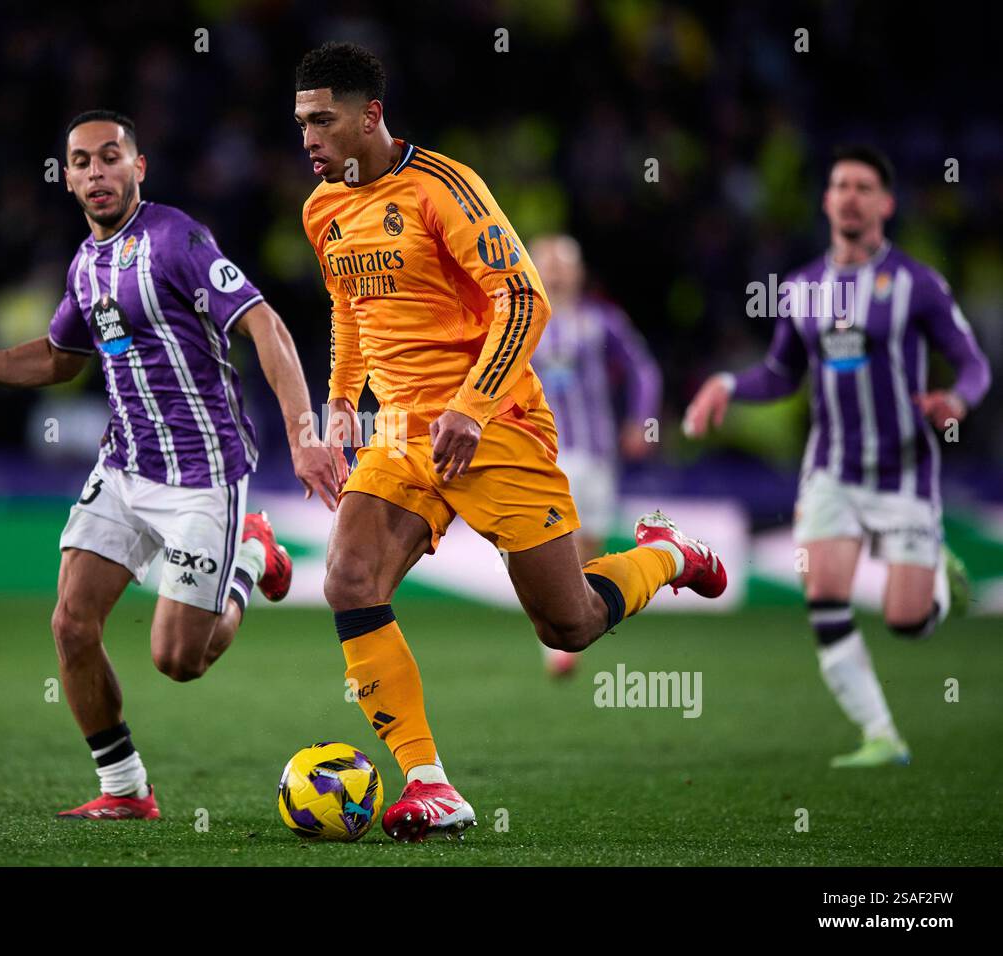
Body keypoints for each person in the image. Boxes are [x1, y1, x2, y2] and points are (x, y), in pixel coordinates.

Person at [295, 43, 726, 842]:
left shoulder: (444, 188)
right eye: (301, 123)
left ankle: (668, 555)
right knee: (350, 579)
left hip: (494, 427)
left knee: (568, 625)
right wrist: (341, 401)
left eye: (323, 120)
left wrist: (471, 404)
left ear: (370, 116)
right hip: (400, 434)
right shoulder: (322, 209)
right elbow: (348, 307)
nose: (309, 138)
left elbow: (525, 299)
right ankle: (430, 784)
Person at [0, 110, 340, 818]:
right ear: (67, 179)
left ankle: (251, 556)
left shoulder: (177, 240)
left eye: (110, 157)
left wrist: (304, 435)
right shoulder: (84, 265)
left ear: (139, 167)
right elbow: (58, 358)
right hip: (125, 467)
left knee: (178, 660)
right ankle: (126, 788)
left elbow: (266, 324)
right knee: (71, 624)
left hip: (203, 475)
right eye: (81, 162)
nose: (96, 172)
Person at [684, 145, 991, 768]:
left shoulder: (918, 284)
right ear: (826, 201)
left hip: (904, 472)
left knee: (906, 620)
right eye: (840, 185)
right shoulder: (801, 288)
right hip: (830, 469)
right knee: (824, 595)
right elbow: (781, 373)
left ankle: (939, 582)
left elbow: (973, 363)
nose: (850, 196)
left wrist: (958, 399)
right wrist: (727, 384)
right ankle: (881, 734)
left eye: (863, 187)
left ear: (886, 203)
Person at [528, 234, 662, 677]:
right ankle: (556, 641)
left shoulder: (602, 321)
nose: (555, 272)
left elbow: (643, 369)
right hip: (546, 452)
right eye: (547, 263)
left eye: (563, 263)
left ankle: (570, 622)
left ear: (579, 272)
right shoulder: (520, 320)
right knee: (556, 540)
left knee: (589, 546)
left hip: (598, 450)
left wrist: (641, 419)